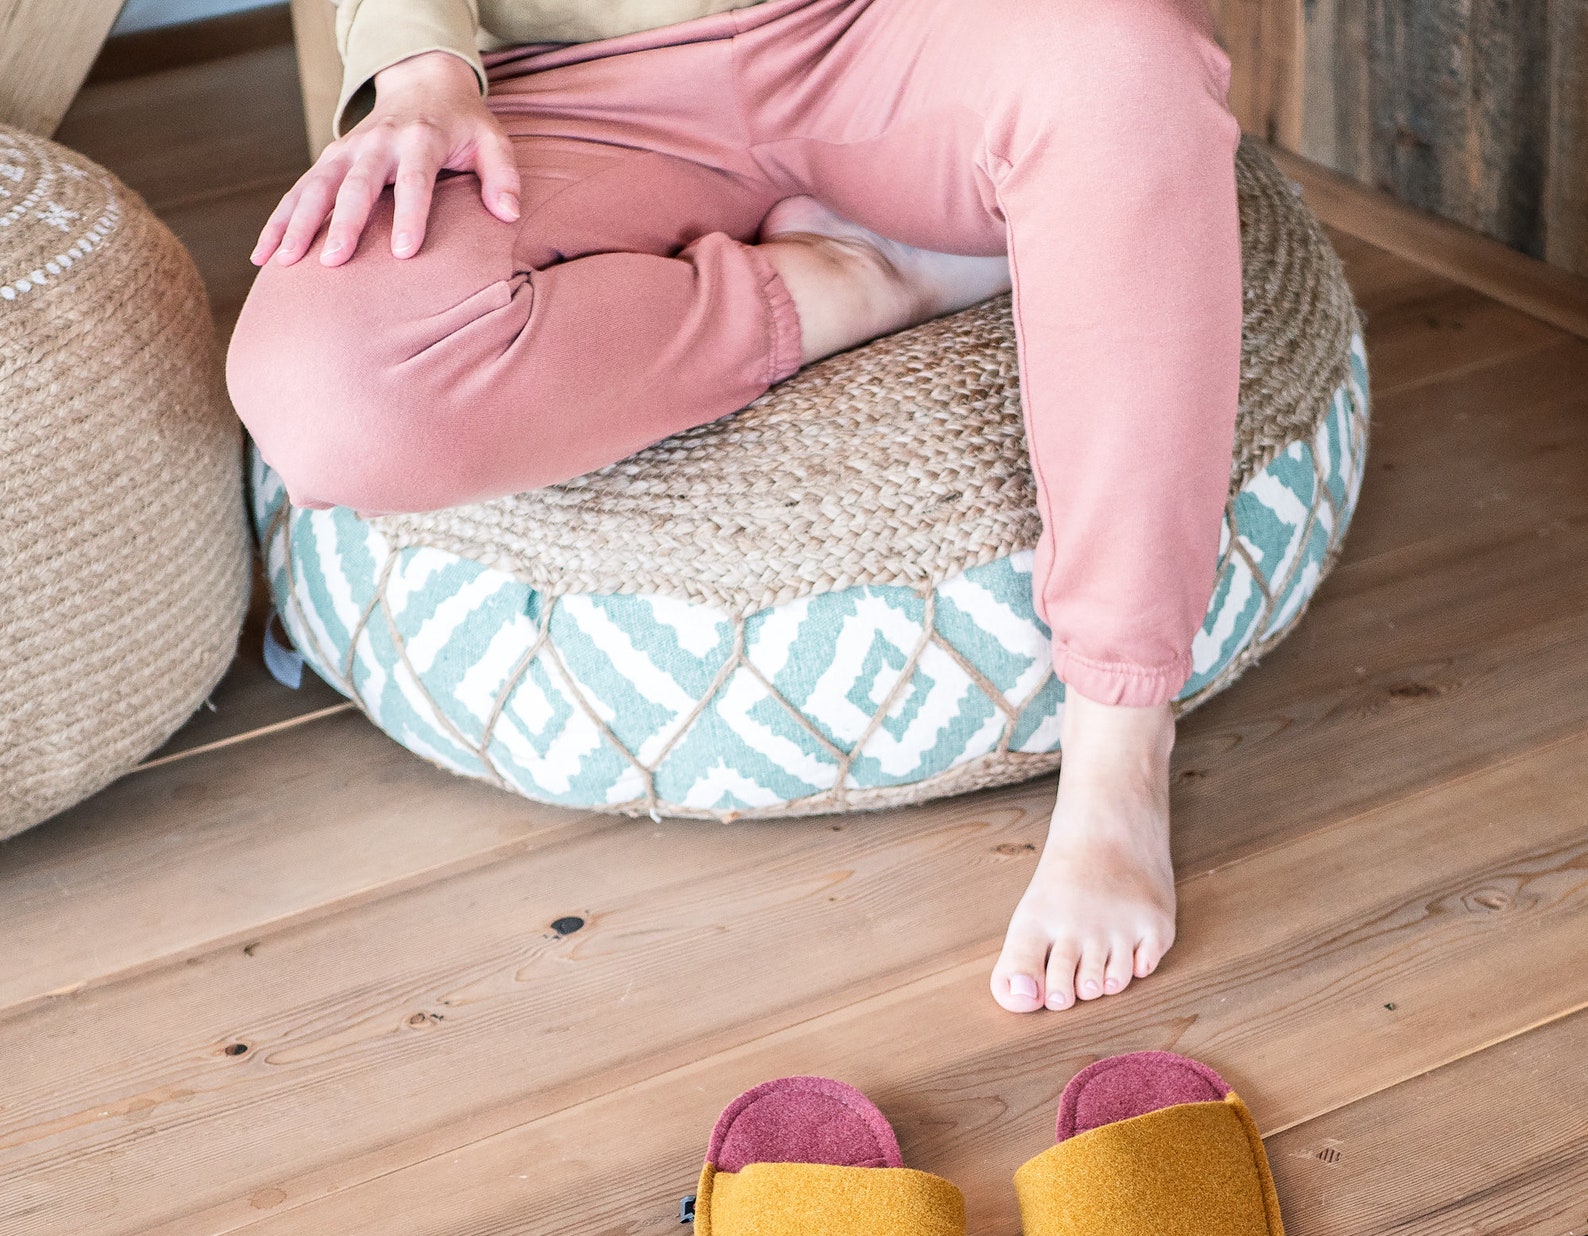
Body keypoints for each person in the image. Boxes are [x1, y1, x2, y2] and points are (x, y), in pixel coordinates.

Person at [227, 0, 1242, 1014]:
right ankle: (856, 279)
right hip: (567, 80)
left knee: (1125, 75)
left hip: (894, 33)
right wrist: (418, 72)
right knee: (328, 390)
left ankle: (1120, 748)